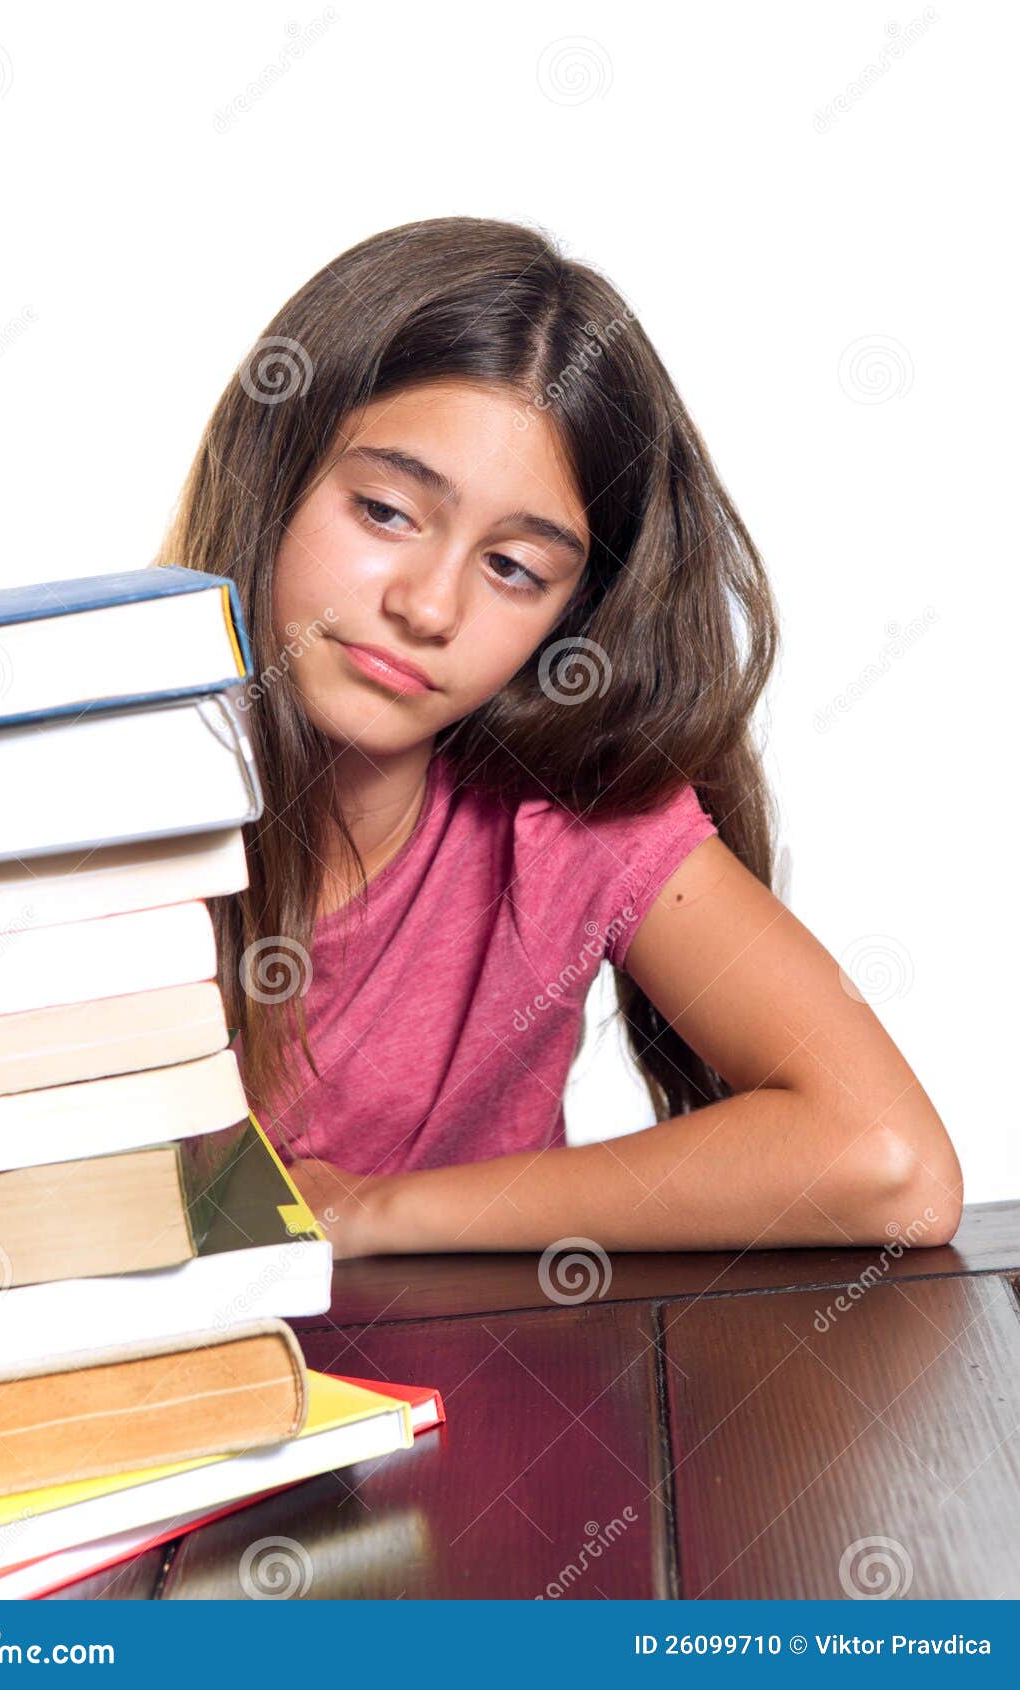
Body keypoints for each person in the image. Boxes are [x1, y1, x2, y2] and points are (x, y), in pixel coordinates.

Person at [153, 215, 962, 1260]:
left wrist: (368, 1211)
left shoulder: (566, 823)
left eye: (514, 570)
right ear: (273, 473)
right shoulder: (78, 801)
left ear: (570, 619)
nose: (429, 605)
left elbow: (891, 1162)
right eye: (387, 511)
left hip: (478, 1394)